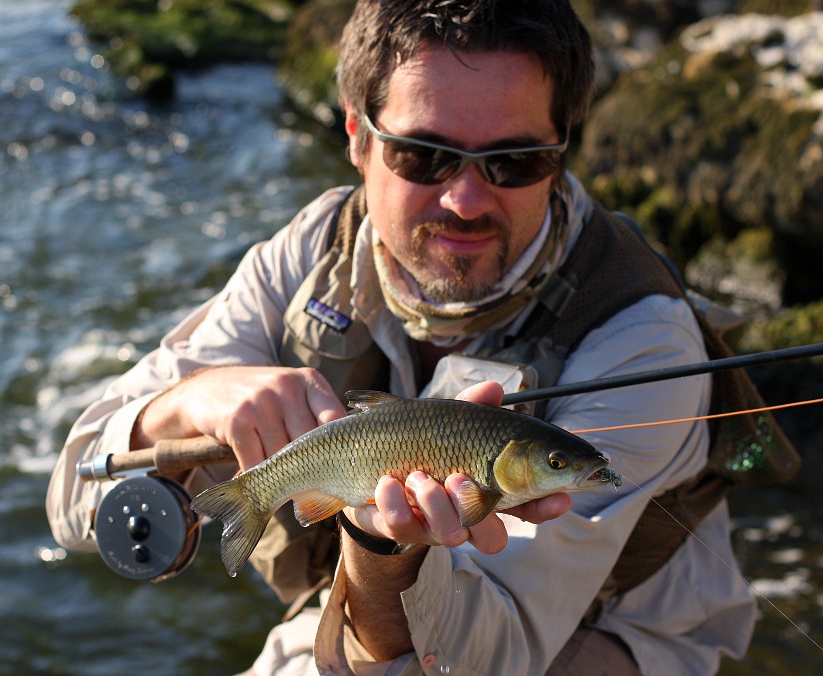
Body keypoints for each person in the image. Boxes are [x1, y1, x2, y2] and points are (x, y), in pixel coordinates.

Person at [47, 1, 757, 673]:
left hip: (603, 638)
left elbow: (486, 657)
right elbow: (72, 502)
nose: (467, 200)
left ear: (562, 151)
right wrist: (186, 404)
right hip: (354, 611)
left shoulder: (642, 340)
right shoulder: (311, 252)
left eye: (515, 160)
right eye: (424, 155)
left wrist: (382, 553)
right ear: (358, 138)